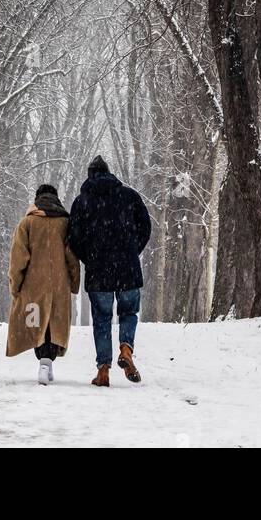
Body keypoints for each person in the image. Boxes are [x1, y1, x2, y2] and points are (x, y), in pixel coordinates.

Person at [69, 154, 152, 387]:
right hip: (127, 268)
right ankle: (126, 349)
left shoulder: (81, 202)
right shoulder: (129, 196)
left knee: (102, 319)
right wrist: (132, 250)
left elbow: (73, 238)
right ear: (109, 173)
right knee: (128, 313)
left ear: (90, 176)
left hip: (99, 271)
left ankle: (103, 370)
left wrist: (90, 257)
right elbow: (145, 227)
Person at [6, 183, 80, 384]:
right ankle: (47, 363)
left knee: (36, 322)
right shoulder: (65, 223)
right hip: (59, 283)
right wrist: (74, 283)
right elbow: (71, 256)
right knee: (54, 323)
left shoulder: (27, 223)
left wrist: (16, 285)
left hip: (33, 284)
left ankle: (44, 364)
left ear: (37, 199)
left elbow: (18, 259)